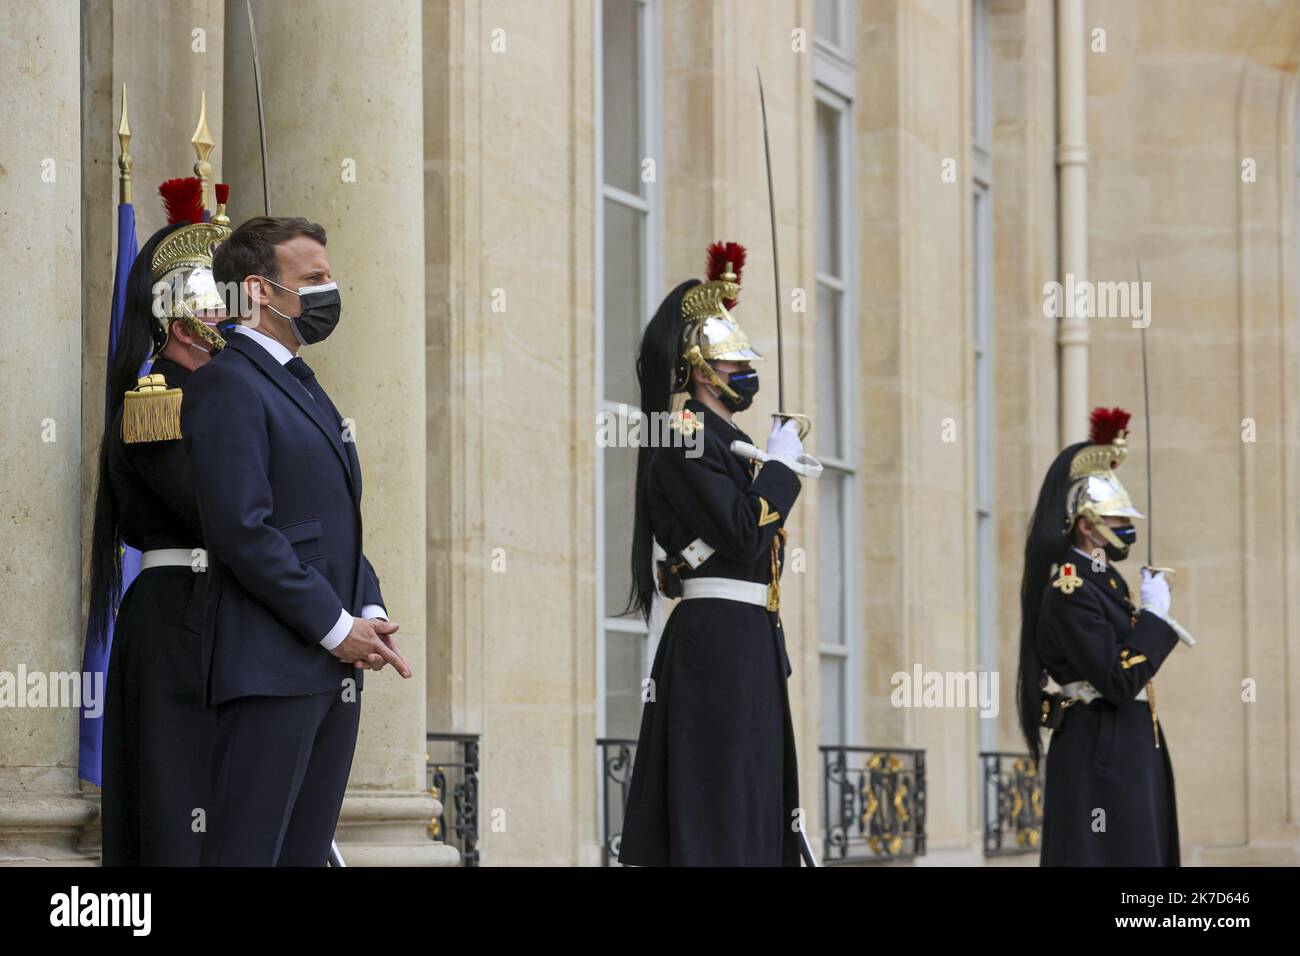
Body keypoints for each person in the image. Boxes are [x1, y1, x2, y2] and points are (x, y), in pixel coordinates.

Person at [182, 215, 411, 866]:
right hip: (269, 667)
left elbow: (337, 524)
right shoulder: (227, 382)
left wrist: (366, 608)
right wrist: (335, 626)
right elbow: (243, 531)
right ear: (256, 292)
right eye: (312, 279)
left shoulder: (304, 386)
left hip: (328, 667)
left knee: (303, 856)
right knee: (248, 854)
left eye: (328, 277)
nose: (326, 291)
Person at [617, 242, 807, 866]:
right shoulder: (687, 436)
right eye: (734, 366)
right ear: (702, 370)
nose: (744, 375)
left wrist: (769, 463)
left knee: (753, 797)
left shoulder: (728, 442)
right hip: (718, 638)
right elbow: (744, 532)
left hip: (747, 634)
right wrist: (779, 471)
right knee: (720, 802)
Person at [89, 176, 231, 865]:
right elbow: (217, 513)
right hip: (177, 615)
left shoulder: (218, 402)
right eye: (225, 311)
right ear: (183, 319)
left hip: (220, 613)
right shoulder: (156, 402)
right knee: (174, 812)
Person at [1016, 406, 1183, 866]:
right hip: (1100, 743)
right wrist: (1154, 618)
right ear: (1087, 525)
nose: (1128, 530)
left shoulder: (1101, 580)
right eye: (1118, 521)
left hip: (1124, 737)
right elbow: (1117, 679)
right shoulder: (1070, 588)